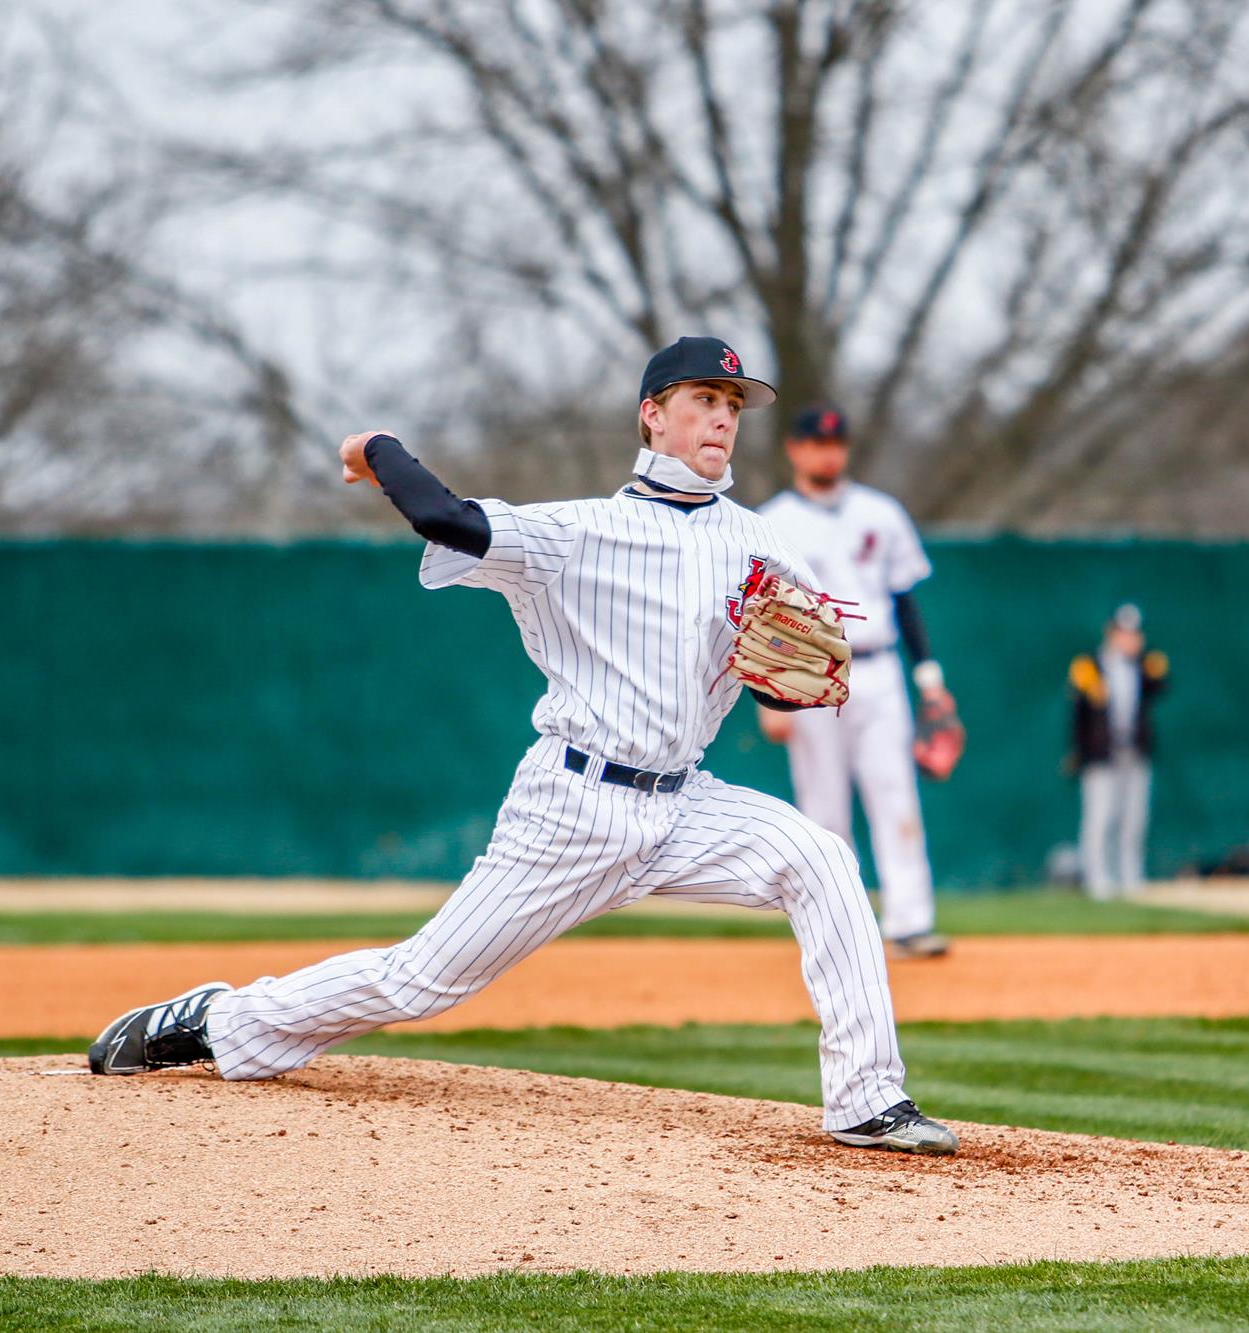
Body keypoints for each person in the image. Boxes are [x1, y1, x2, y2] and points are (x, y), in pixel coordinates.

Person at [85, 336, 959, 1157]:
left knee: (821, 858)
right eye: (704, 398)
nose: (723, 418)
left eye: (734, 404)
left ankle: (867, 1099)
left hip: (685, 803)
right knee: (421, 981)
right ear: (653, 414)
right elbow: (445, 517)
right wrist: (378, 447)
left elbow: (780, 675)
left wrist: (781, 678)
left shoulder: (758, 539)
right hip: (573, 806)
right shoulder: (575, 532)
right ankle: (224, 1020)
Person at [757, 404, 953, 960]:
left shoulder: (881, 513)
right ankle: (840, 929)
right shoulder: (771, 521)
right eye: (817, 444)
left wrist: (930, 679)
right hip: (811, 672)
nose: (828, 453)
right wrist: (770, 694)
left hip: (880, 667)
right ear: (795, 450)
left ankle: (910, 922)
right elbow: (764, 610)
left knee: (895, 794)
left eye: (836, 443)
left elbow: (905, 600)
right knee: (823, 809)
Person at [1068, 604, 1169, 898]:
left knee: (1134, 818)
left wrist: (1143, 659)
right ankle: (1097, 877)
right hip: (1102, 754)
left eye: (1133, 633)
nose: (1128, 638)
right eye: (1123, 633)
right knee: (1100, 817)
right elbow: (1078, 714)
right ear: (1111, 633)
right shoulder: (1089, 665)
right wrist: (1078, 752)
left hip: (1134, 752)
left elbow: (1161, 686)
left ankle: (1130, 876)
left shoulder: (1144, 665)